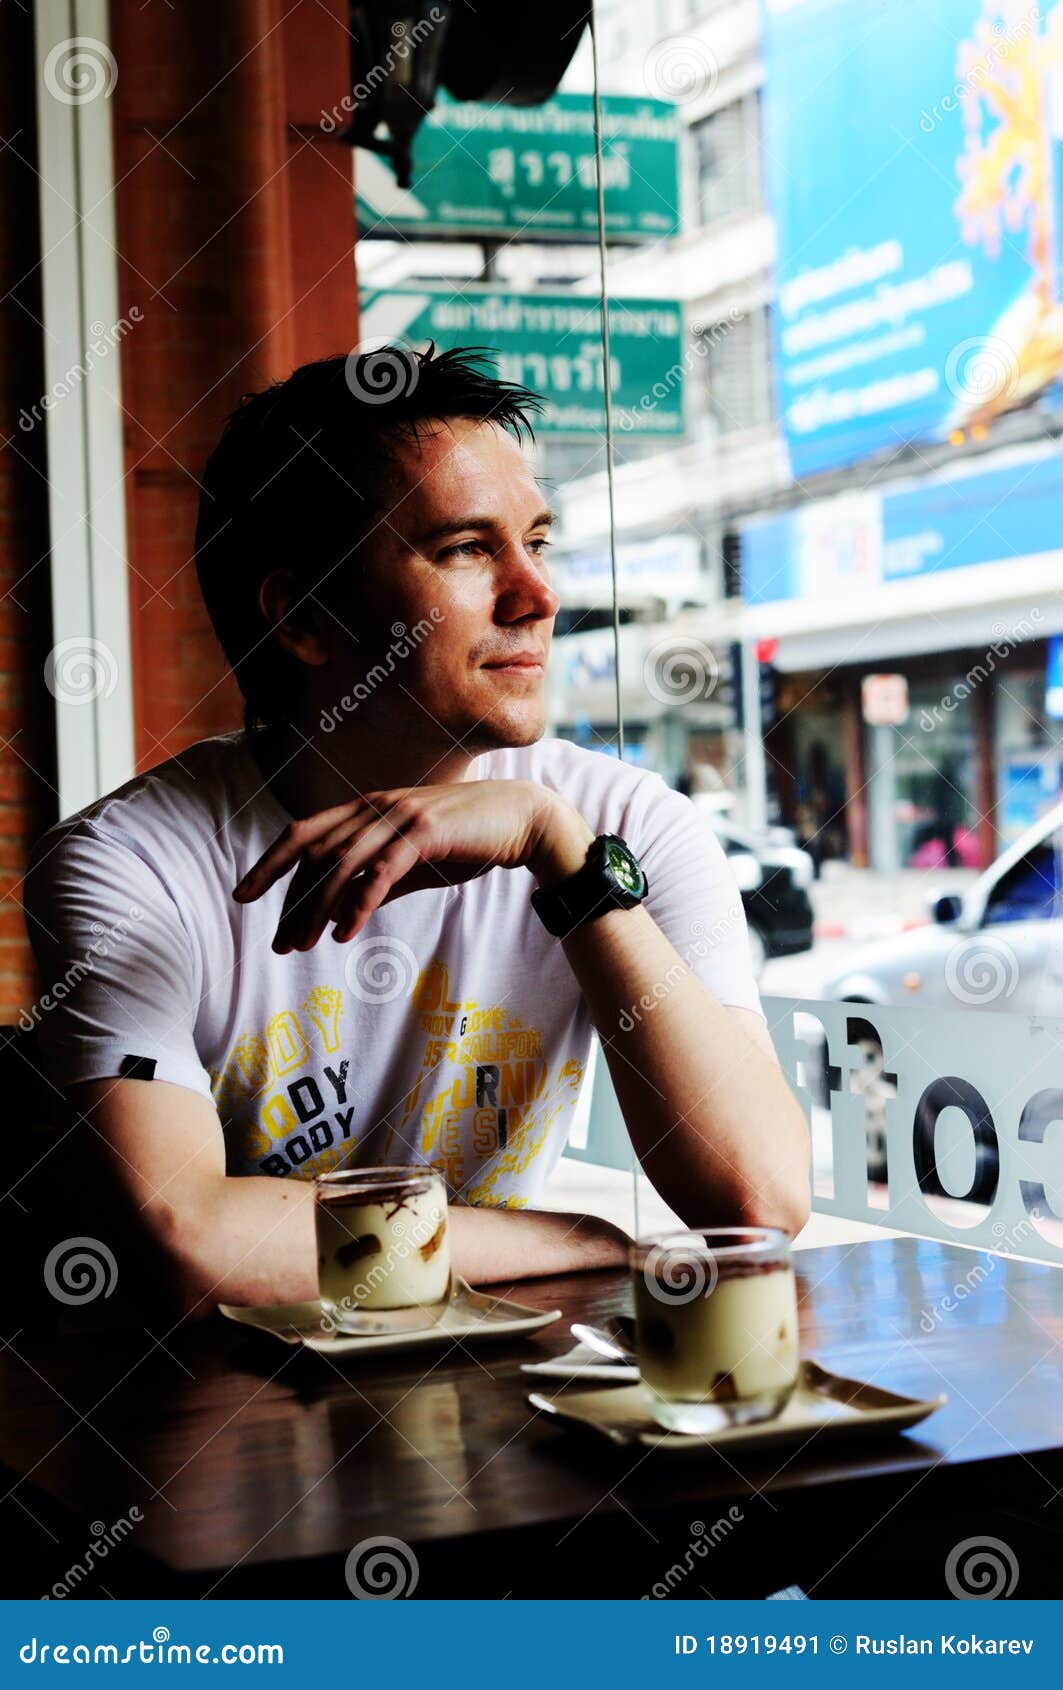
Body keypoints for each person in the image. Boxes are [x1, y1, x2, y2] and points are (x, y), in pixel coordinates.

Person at [24, 345, 809, 1319]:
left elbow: (757, 1197)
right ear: (304, 615)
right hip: (224, 1400)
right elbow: (187, 1239)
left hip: (500, 1384)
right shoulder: (129, 864)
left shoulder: (617, 829)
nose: (537, 595)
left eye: (536, 541)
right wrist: (579, 1242)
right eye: (466, 549)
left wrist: (560, 855)